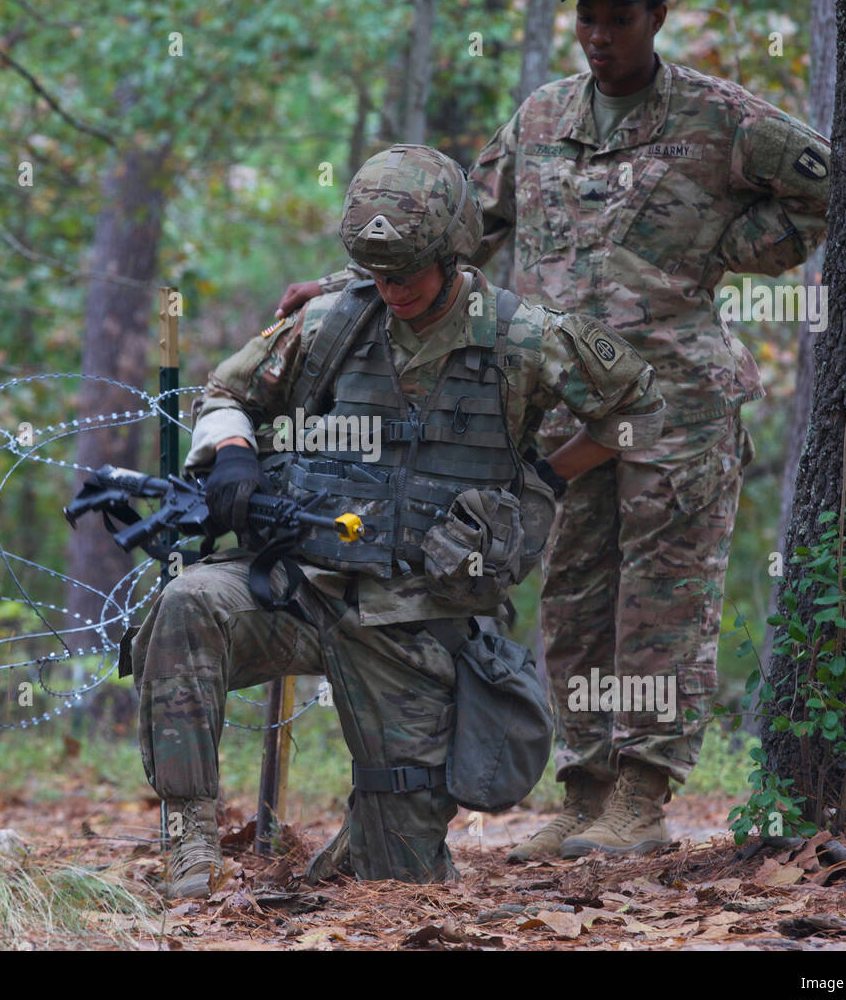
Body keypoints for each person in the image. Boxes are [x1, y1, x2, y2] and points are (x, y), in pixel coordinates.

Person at [277, 0, 831, 861]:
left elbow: (825, 188)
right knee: (572, 598)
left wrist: (729, 247)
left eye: (621, 18)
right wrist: (346, 284)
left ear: (659, 15)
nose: (600, 35)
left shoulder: (718, 116)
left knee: (662, 604)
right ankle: (583, 791)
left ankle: (643, 798)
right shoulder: (539, 119)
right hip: (566, 412)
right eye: (588, 16)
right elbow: (462, 222)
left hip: (673, 406)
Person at [128, 144, 664, 898]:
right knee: (188, 603)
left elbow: (638, 408)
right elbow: (225, 391)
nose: (391, 289)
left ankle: (370, 831)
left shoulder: (523, 339)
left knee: (398, 880)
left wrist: (543, 478)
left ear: (451, 253)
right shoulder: (333, 323)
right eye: (377, 274)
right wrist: (236, 454)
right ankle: (189, 837)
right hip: (301, 587)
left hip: (414, 625)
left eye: (407, 273)